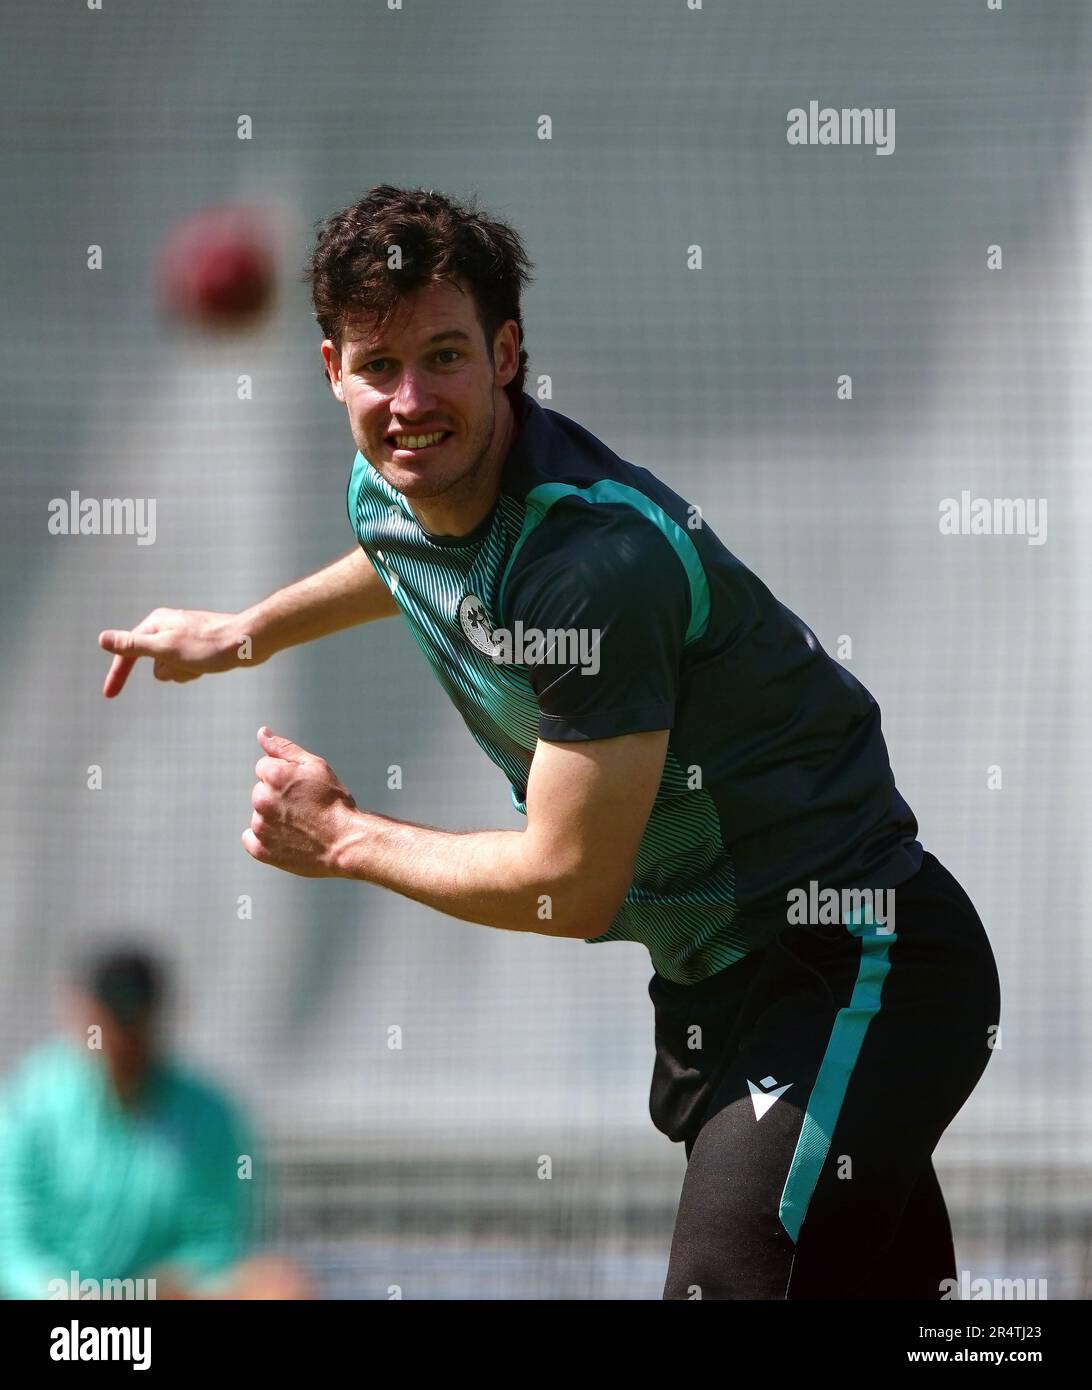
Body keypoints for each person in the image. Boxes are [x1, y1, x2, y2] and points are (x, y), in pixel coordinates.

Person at [97, 185, 1001, 1300]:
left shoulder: (593, 567)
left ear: (507, 352)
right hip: (727, 984)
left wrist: (341, 837)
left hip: (859, 957)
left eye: (445, 357)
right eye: (378, 367)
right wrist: (243, 632)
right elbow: (403, 554)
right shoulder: (391, 483)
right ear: (332, 367)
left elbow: (566, 886)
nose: (410, 400)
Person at [0, 946, 310, 1300]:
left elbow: (215, 1243)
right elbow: (11, 1247)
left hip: (156, 1298)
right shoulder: (31, 1102)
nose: (124, 1038)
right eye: (114, 1020)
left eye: (135, 1021)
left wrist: (157, 1288)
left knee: (279, 1285)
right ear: (83, 1011)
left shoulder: (210, 1116)